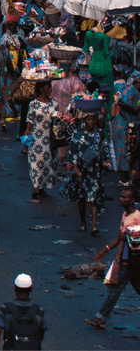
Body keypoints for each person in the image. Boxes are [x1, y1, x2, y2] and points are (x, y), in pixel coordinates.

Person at [87, 187, 140, 329]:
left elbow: (134, 239)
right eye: (121, 196)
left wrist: (128, 235)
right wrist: (105, 250)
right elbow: (119, 237)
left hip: (131, 260)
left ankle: (101, 318)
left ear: (132, 200)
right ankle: (101, 318)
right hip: (127, 259)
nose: (121, 199)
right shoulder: (125, 215)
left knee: (115, 289)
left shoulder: (136, 218)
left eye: (124, 197)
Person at [61, 112, 107, 234]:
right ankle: (83, 222)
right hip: (81, 169)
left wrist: (106, 161)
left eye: (93, 119)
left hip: (95, 169)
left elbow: (104, 148)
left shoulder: (100, 134)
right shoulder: (78, 133)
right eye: (89, 119)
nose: (92, 122)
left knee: (94, 196)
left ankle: (93, 226)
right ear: (84, 120)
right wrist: (75, 167)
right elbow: (73, 150)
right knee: (82, 197)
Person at [25, 80, 60, 200]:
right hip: (37, 137)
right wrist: (27, 130)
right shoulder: (33, 104)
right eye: (46, 88)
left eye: (50, 88)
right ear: (41, 89)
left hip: (49, 137)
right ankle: (35, 186)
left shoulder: (54, 104)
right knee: (36, 162)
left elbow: (56, 122)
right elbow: (30, 119)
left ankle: (42, 187)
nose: (49, 90)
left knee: (47, 163)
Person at [0, 274, 46, 349]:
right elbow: (40, 336)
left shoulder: (5, 309)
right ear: (30, 289)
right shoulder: (39, 311)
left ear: (15, 289)